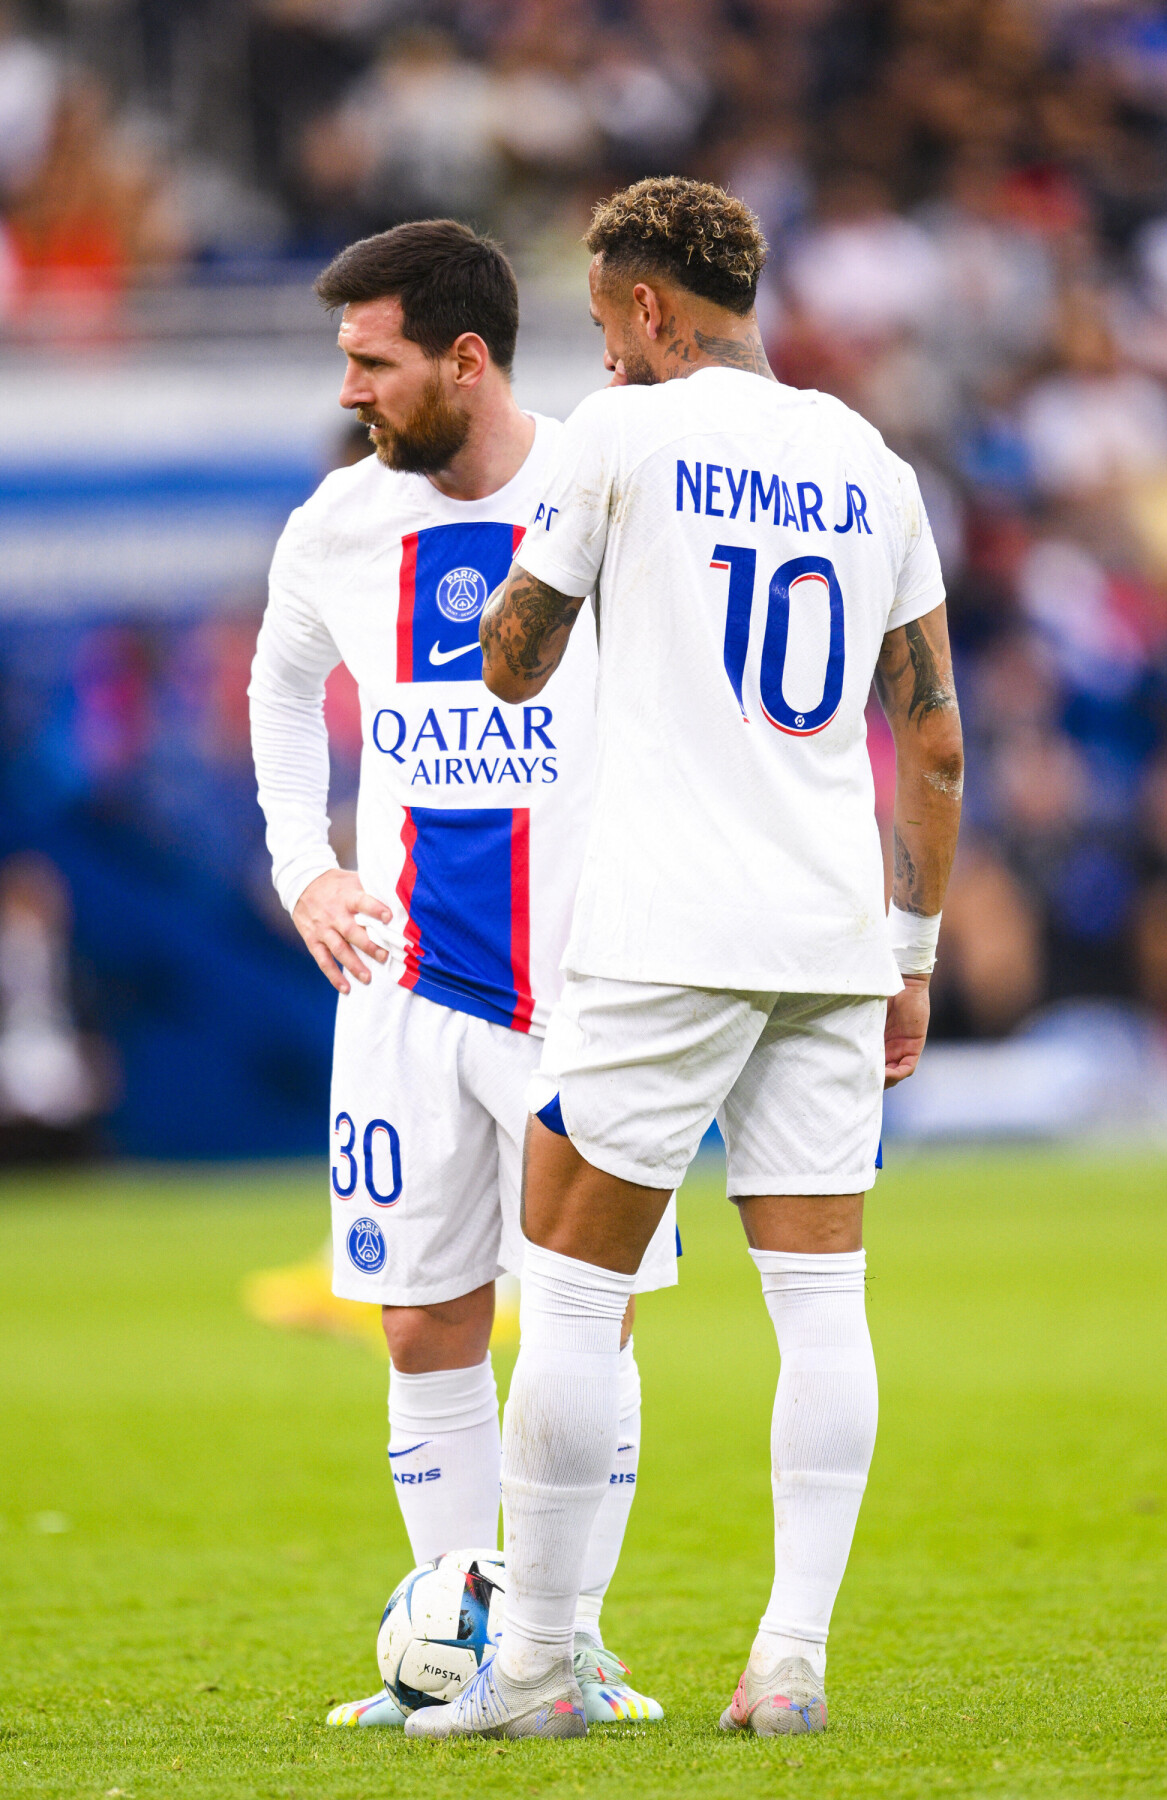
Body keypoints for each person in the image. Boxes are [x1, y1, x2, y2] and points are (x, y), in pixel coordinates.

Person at [407, 176, 963, 1742]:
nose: (601, 352)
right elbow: (932, 744)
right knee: (822, 1297)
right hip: (834, 934)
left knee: (572, 1291)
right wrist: (910, 952)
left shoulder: (616, 435)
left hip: (666, 936)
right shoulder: (868, 459)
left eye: (600, 324)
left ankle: (533, 1674)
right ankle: (790, 1661)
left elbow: (512, 669)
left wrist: (557, 527)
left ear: (647, 309)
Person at [248, 218, 677, 1729]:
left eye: (374, 361)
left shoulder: (607, 490)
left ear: (465, 358)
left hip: (591, 991)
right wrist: (303, 861)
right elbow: (283, 682)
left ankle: (570, 1647)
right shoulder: (339, 526)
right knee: (423, 1319)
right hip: (406, 991)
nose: (354, 390)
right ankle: (459, 1631)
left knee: (585, 1320)